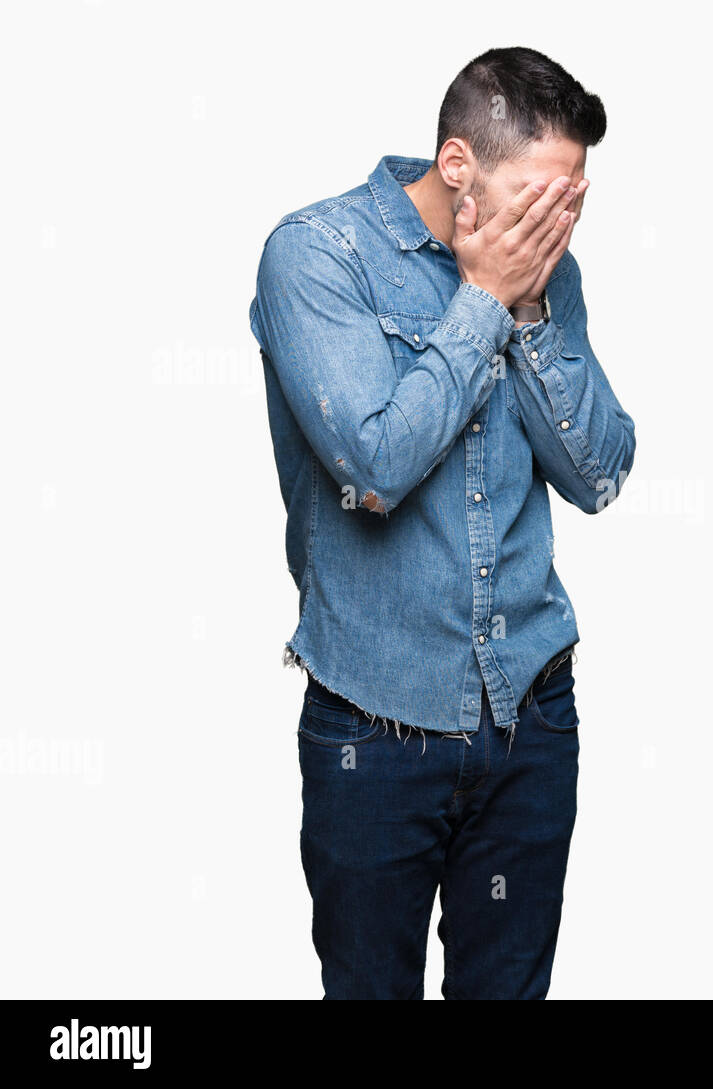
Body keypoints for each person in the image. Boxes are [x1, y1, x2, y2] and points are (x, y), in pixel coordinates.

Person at [249, 46, 635, 999]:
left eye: (574, 199)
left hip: (530, 714)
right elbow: (374, 466)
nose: (559, 222)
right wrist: (481, 304)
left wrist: (535, 308)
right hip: (374, 727)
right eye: (538, 198)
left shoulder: (546, 275)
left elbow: (600, 473)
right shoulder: (316, 256)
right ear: (457, 166)